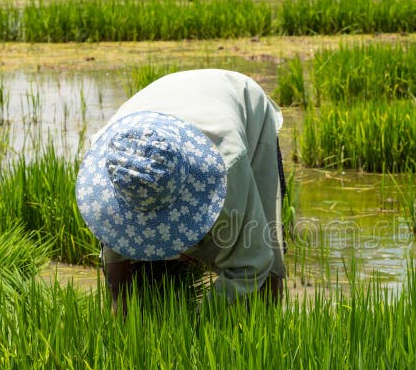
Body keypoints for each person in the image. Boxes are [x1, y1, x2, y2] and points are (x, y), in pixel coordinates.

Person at [76, 69, 286, 313]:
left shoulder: (228, 165)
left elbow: (252, 264)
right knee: (145, 275)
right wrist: (121, 307)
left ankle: (270, 321)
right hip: (165, 103)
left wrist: (199, 326)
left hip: (237, 103)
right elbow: (115, 256)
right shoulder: (116, 163)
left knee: (264, 243)